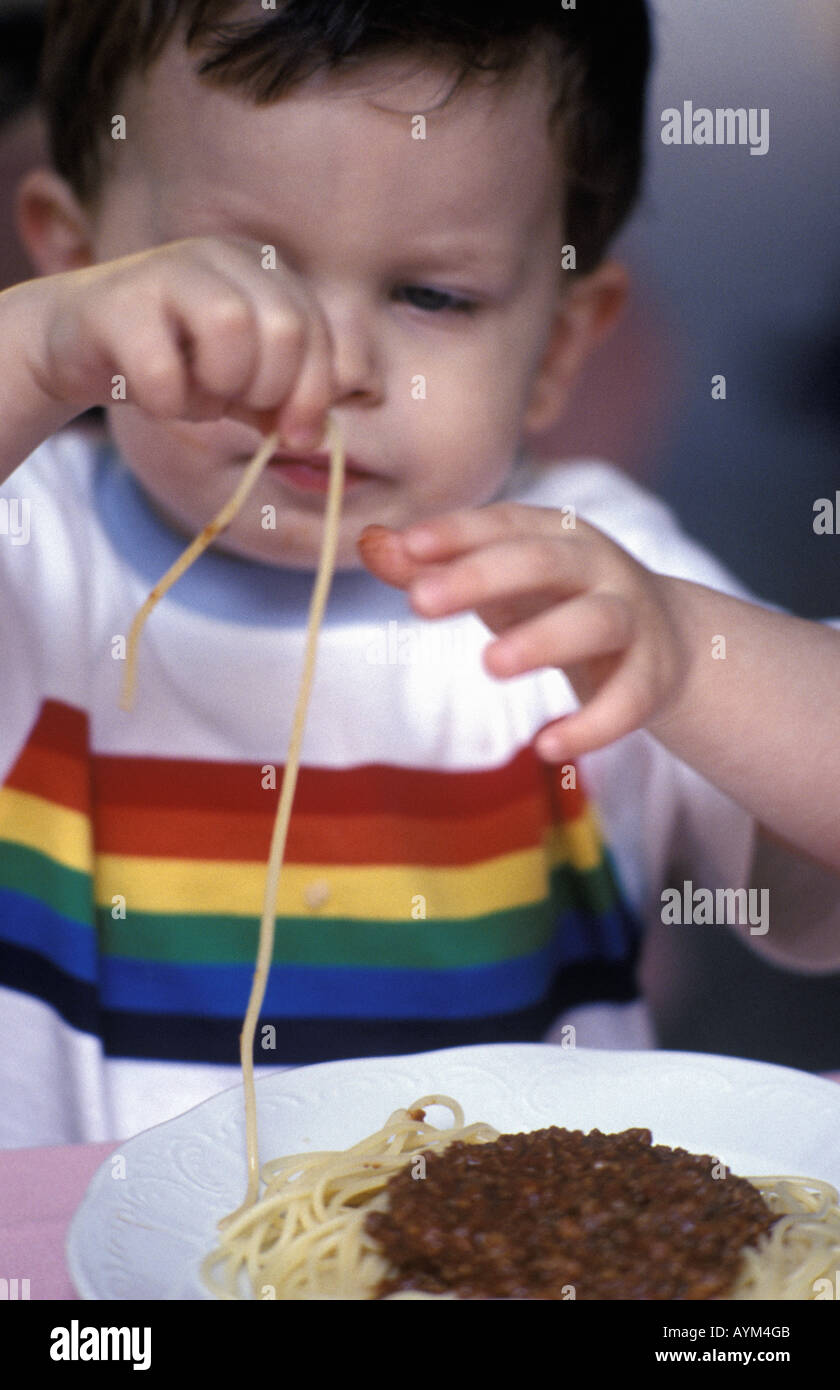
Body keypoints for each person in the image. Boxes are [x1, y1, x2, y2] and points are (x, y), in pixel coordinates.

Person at [0, 1, 837, 1146]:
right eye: (237, 273)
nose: (334, 365)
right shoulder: (32, 548)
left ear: (557, 349)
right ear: (76, 256)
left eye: (433, 295)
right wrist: (37, 351)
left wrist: (687, 658)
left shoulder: (586, 583)